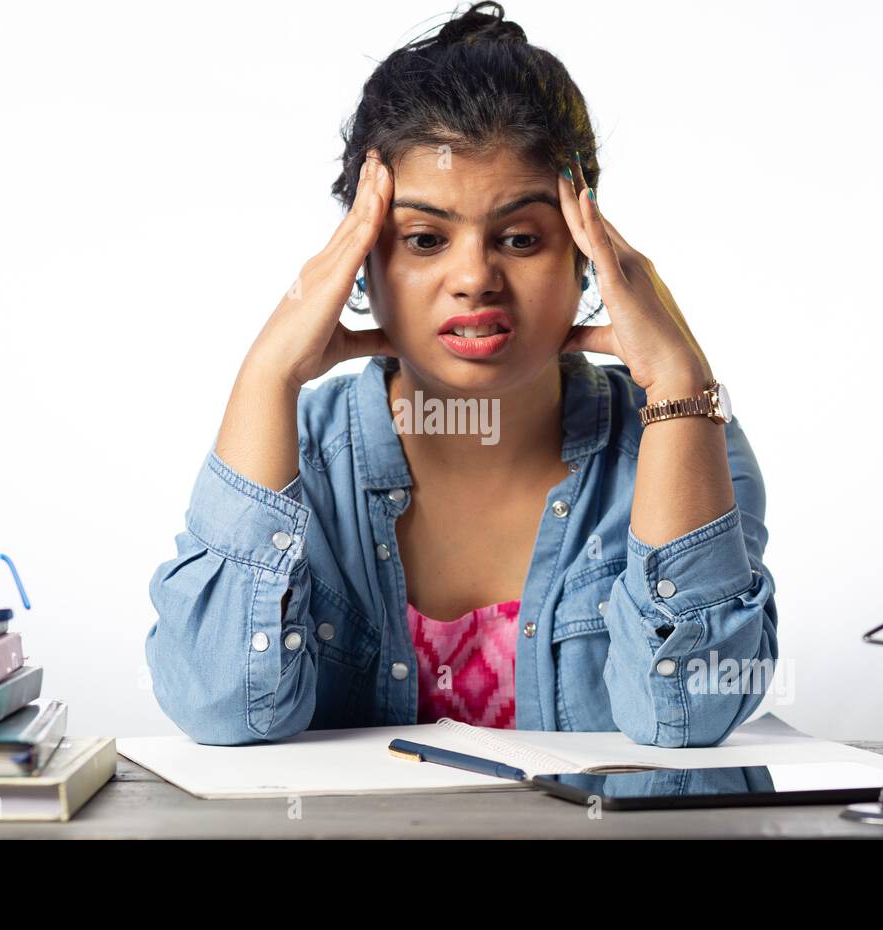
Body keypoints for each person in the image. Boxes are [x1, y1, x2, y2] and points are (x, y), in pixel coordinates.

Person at [145, 2, 778, 747]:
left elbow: (686, 719)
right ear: (357, 263)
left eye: (519, 237)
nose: (474, 277)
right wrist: (265, 376)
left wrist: (676, 380)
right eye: (423, 238)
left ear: (587, 253)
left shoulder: (682, 439)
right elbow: (220, 709)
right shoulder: (297, 456)